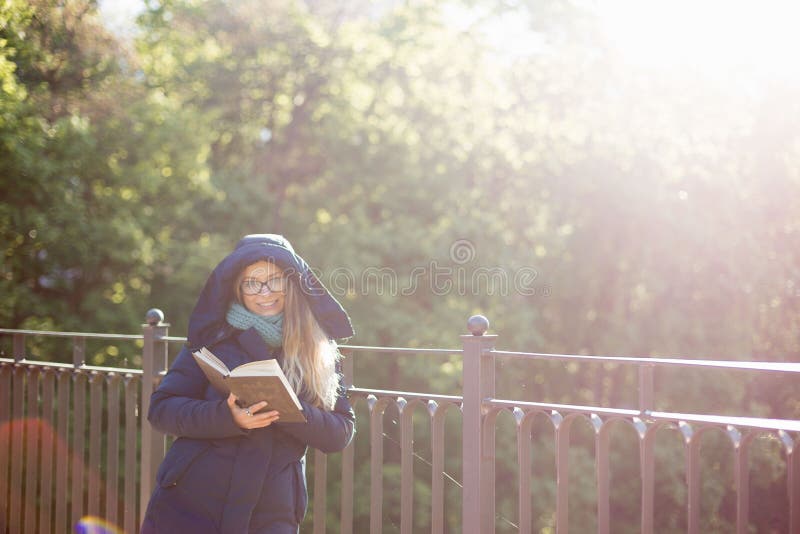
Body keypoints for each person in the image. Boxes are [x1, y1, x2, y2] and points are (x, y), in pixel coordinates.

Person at [141, 234, 355, 533]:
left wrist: (286, 407)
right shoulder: (211, 335)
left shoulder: (319, 346)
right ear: (237, 289)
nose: (264, 292)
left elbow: (339, 432)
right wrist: (228, 417)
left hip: (271, 513)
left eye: (274, 280)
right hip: (192, 502)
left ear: (292, 283)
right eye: (252, 282)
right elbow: (161, 410)